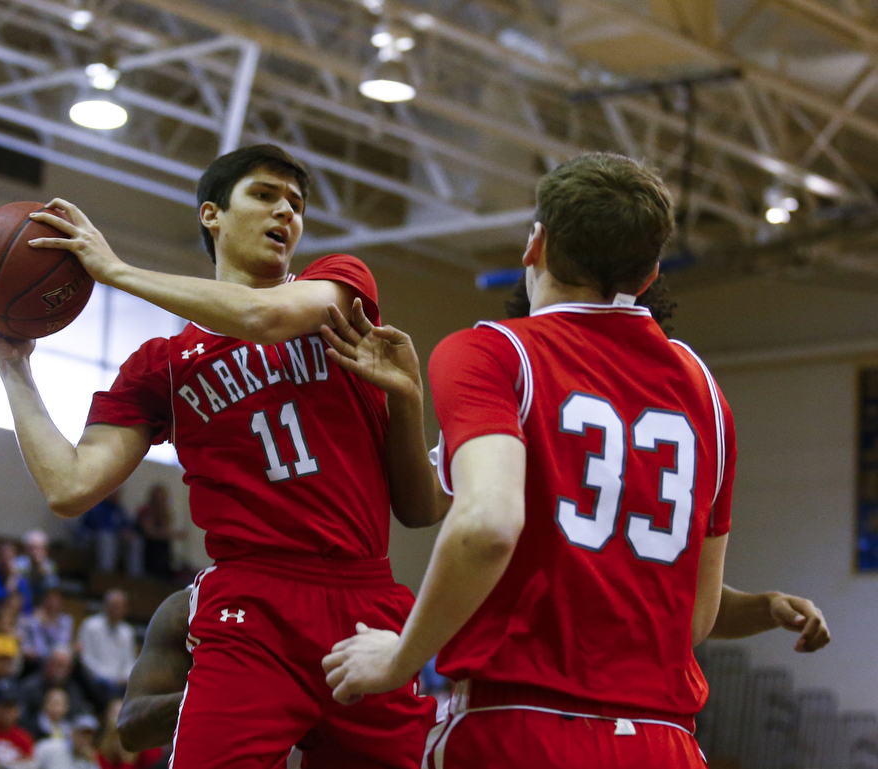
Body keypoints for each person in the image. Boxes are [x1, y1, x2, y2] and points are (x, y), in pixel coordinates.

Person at [0, 142, 438, 767]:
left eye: (297, 203)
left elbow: (259, 315)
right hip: (252, 607)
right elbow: (69, 486)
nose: (286, 211)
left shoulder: (337, 288)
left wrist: (115, 270)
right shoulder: (162, 369)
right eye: (264, 194)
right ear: (212, 215)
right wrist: (13, 366)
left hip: (366, 600)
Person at [322, 153, 751, 767]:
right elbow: (696, 617)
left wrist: (401, 658)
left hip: (520, 728)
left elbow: (487, 524)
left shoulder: (494, 353)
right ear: (652, 272)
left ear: (537, 245)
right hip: (667, 740)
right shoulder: (705, 391)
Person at [117, 581, 830, 754]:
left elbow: (662, 594)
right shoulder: (194, 606)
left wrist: (762, 604)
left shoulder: (387, 600)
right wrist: (242, 698)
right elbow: (130, 729)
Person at [76, 590, 136, 701]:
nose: (116, 610)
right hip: (97, 678)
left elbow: (129, 662)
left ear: (125, 609)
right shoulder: (90, 625)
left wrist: (125, 677)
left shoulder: (127, 632)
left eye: (119, 607)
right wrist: (111, 677)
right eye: (113, 606)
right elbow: (86, 659)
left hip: (120, 681)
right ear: (105, 606)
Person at [133, 485, 179, 580]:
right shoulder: (146, 510)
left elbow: (166, 528)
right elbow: (149, 532)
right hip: (147, 546)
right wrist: (171, 534)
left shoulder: (164, 513)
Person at [35, 713, 100, 769]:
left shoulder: (89, 761)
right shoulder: (49, 747)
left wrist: (91, 762)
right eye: (81, 734)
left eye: (89, 736)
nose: (84, 739)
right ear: (72, 732)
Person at [0, 544, 33, 616]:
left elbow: (27, 600)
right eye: (5, 555)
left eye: (11, 556)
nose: (8, 559)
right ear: (0, 557)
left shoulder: (20, 575)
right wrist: (10, 581)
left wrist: (15, 577)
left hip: (18, 615)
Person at [14, 531, 59, 605]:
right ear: (27, 549)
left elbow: (53, 589)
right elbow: (15, 587)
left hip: (42, 605)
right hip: (21, 603)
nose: (38, 551)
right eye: (35, 548)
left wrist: (41, 567)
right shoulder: (19, 563)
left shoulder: (50, 565)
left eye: (42, 548)